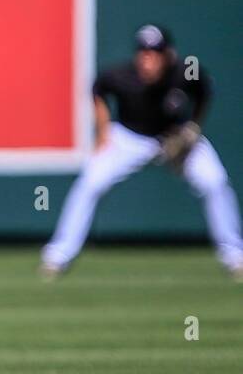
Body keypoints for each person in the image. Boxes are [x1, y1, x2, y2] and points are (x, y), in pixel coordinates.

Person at [41, 24, 243, 282]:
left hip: (175, 136)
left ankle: (235, 256)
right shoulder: (122, 76)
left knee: (214, 181)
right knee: (91, 183)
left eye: (155, 53)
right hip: (129, 138)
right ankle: (57, 257)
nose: (148, 60)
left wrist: (193, 128)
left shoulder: (185, 73)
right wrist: (103, 131)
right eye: (144, 53)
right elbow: (98, 88)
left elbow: (205, 92)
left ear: (168, 55)